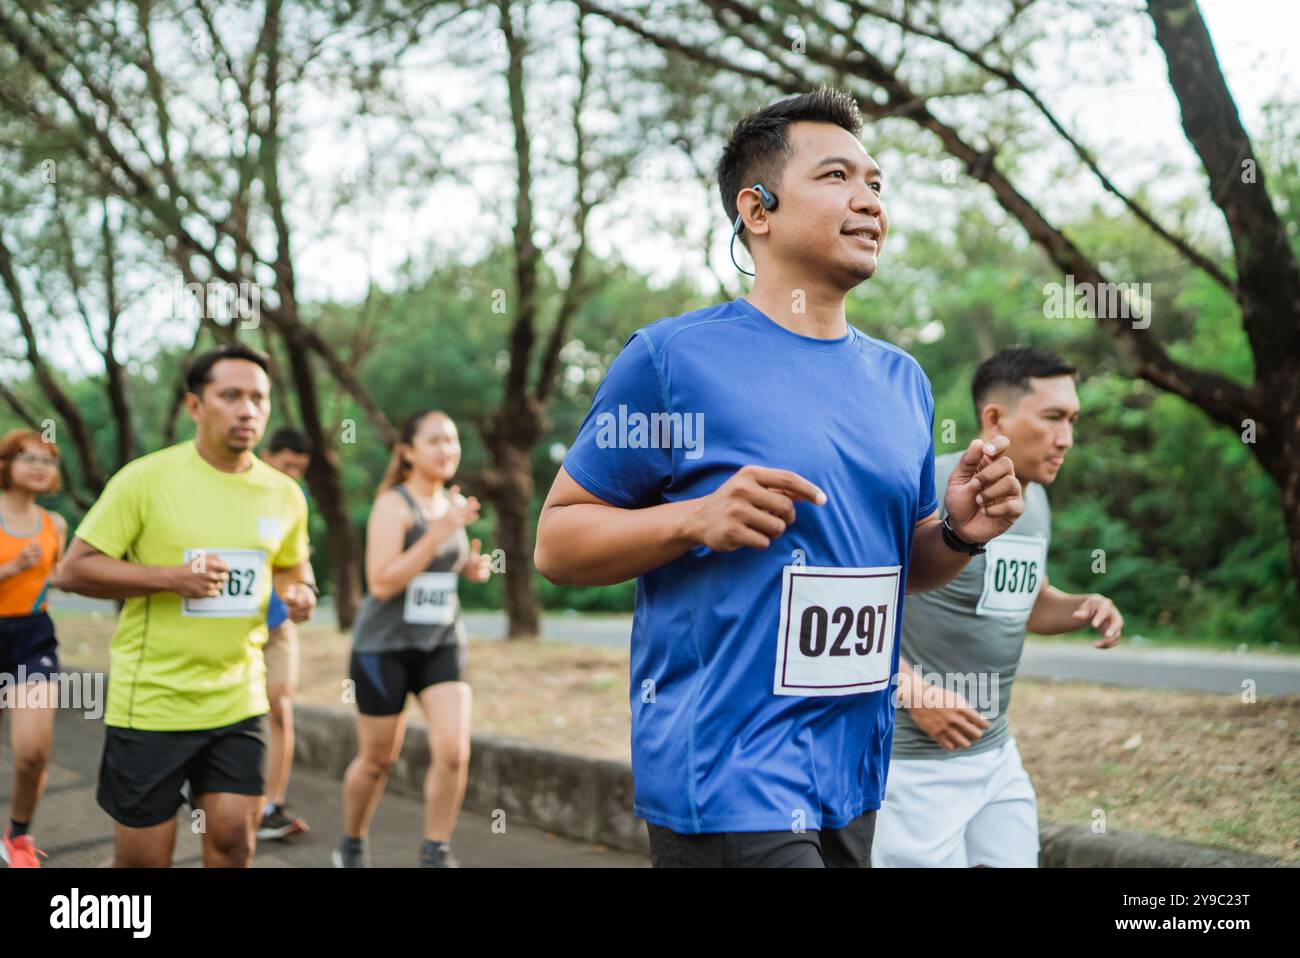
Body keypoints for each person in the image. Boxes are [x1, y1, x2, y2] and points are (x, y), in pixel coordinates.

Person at [534, 88, 1027, 868]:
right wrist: (692, 519)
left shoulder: (902, 381)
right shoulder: (672, 360)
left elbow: (902, 567)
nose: (869, 200)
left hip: (853, 775)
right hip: (726, 773)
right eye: (837, 177)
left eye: (875, 183)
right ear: (756, 209)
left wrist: (961, 532)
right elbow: (557, 545)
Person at [56, 343, 317, 867]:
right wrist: (169, 579)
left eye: (259, 398)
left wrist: (302, 593)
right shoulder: (145, 479)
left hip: (239, 699)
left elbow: (294, 565)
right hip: (153, 702)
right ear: (195, 405)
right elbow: (73, 570)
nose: (248, 410)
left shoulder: (284, 493)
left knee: (234, 843)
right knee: (144, 861)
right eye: (231, 396)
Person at [873, 346, 1124, 868]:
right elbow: (856, 606)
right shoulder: (932, 487)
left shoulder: (1033, 501)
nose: (1066, 438)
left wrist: (1082, 607)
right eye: (1053, 417)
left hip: (996, 753)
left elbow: (1027, 603)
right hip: (913, 762)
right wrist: (914, 693)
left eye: (1072, 420)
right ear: (994, 419)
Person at [334, 410, 492, 869]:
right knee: (378, 759)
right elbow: (382, 582)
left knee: (454, 751)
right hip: (383, 648)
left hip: (441, 641)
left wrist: (470, 567)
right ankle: (351, 843)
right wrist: (439, 532)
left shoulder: (449, 503)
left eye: (452, 440)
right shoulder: (394, 505)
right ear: (407, 452)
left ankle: (434, 852)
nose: (447, 449)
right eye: (435, 440)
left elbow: (441, 565)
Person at [0, 430, 67, 867]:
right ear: (5, 465)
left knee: (32, 752)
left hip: (32, 637)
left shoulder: (54, 523)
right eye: (30, 458)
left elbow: (56, 577)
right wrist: (11, 568)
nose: (41, 467)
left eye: (48, 460)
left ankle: (18, 837)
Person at [257, 427, 313, 841]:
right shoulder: (238, 493)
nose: (293, 474)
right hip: (232, 629)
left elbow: (298, 560)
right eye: (286, 464)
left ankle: (271, 806)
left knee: (280, 708)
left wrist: (304, 590)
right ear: (266, 456)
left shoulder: (295, 499)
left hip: (279, 626)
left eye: (300, 468)